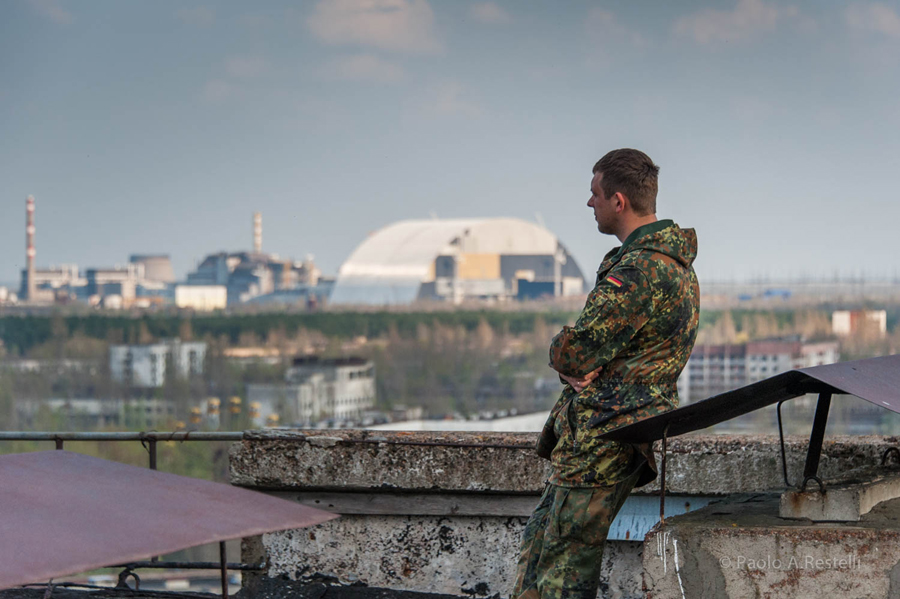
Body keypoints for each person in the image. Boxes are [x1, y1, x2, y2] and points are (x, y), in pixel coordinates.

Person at [512, 148, 700, 599]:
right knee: (540, 552)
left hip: (603, 435)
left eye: (594, 194)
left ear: (619, 200)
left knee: (561, 571)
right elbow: (596, 361)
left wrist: (561, 349)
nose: (589, 203)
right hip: (603, 434)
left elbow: (576, 354)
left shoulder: (639, 270)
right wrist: (579, 368)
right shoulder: (669, 264)